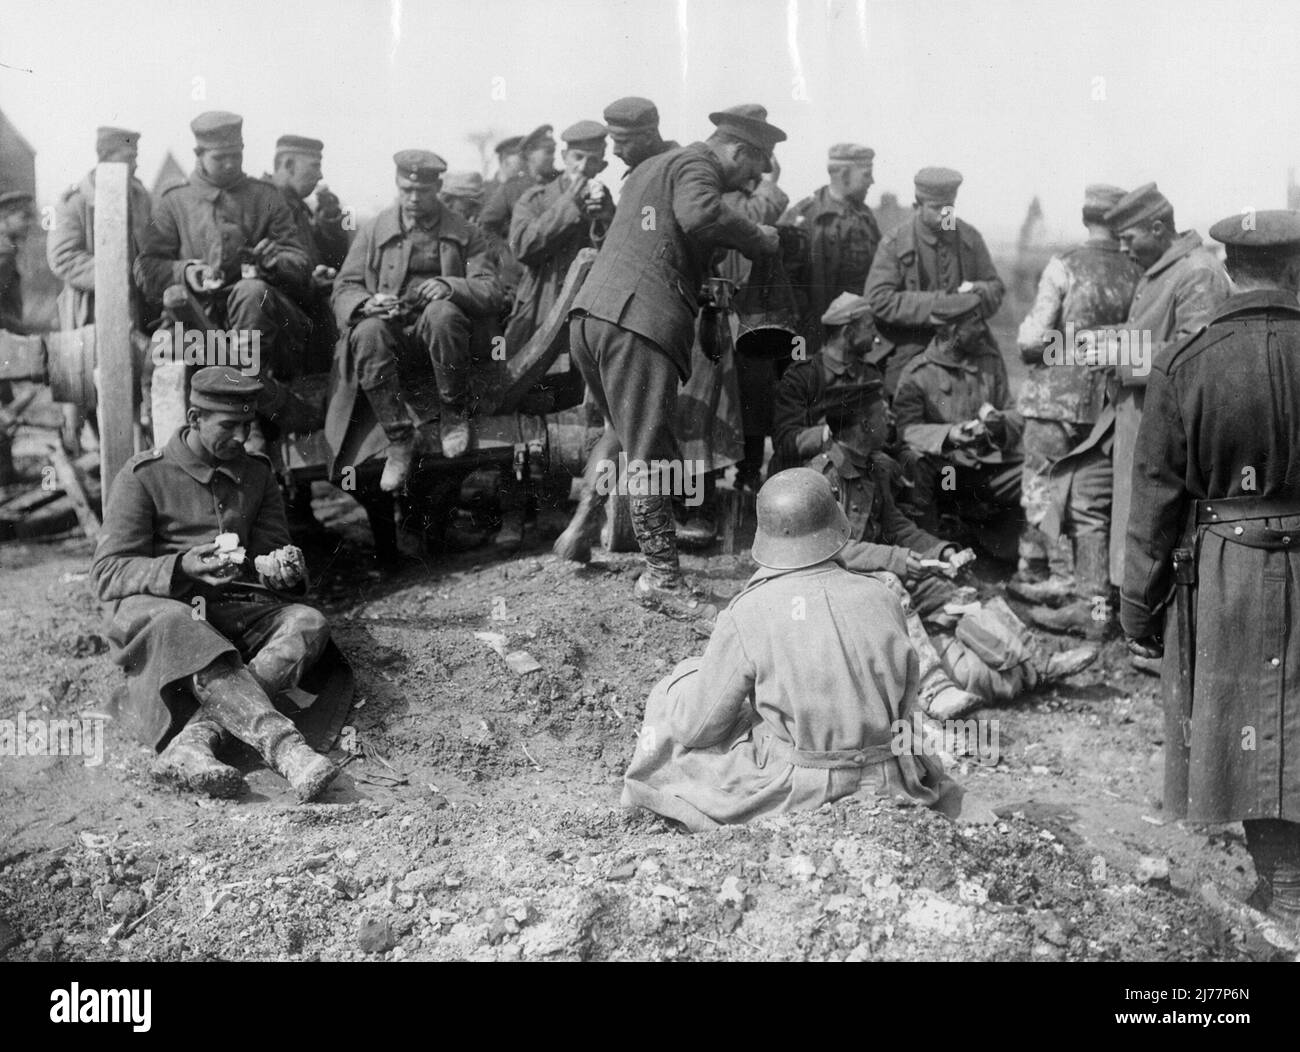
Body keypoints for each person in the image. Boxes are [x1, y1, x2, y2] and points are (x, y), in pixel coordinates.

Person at [1122, 210, 1300, 927]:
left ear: (1230, 268)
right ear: (1293, 270)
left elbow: (1155, 502)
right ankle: (1286, 879)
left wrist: (1139, 606)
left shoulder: (1185, 361)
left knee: (1246, 716)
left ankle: (1285, 882)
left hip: (1230, 570)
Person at [622, 467, 961, 831]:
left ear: (765, 537)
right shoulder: (884, 596)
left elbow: (696, 728)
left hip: (804, 789)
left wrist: (681, 683)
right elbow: (905, 704)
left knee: (672, 707)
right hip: (891, 777)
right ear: (837, 525)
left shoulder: (749, 610)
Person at [563, 105, 782, 614]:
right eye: (753, 169)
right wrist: (758, 238)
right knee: (653, 452)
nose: (749, 181)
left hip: (592, 318)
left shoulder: (649, 169)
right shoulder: (695, 164)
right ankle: (662, 578)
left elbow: (655, 236)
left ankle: (579, 530)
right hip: (637, 323)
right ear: (739, 150)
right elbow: (701, 213)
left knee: (622, 428)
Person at [91, 367, 339, 801]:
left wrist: (281, 568)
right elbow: (108, 572)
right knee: (186, 627)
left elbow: (269, 551)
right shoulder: (144, 476)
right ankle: (286, 748)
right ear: (193, 418)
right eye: (229, 426)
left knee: (308, 622)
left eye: (247, 426)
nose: (241, 438)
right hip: (161, 615)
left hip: (232, 605)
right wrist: (181, 566)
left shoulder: (256, 473)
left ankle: (196, 740)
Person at [811, 381, 1095, 718]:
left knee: (962, 587)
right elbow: (832, 550)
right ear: (863, 425)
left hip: (878, 575)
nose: (890, 419)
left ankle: (1036, 660)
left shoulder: (874, 467)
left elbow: (896, 525)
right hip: (837, 587)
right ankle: (933, 690)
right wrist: (898, 560)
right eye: (881, 414)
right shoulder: (821, 479)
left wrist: (942, 552)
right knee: (890, 586)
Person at [1096, 184, 1229, 670]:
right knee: (1142, 525)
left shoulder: (1197, 273)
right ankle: (1148, 633)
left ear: (1157, 227)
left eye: (1129, 236)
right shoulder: (1165, 269)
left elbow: (1198, 354)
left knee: (1164, 527)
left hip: (1169, 429)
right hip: (1141, 419)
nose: (1124, 247)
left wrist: (1121, 356)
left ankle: (1171, 643)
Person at [327, 150, 503, 489]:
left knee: (442, 313)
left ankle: (453, 415)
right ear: (396, 184)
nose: (412, 199)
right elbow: (344, 286)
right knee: (367, 332)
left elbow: (491, 290)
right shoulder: (374, 230)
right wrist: (368, 302)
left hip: (447, 342)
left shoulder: (466, 232)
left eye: (421, 192)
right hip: (393, 342)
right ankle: (399, 437)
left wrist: (450, 285)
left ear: (437, 188)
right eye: (405, 190)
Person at [1008, 184, 1139, 637]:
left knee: (1044, 488)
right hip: (1109, 403)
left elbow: (1031, 340)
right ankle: (1097, 592)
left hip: (1054, 398)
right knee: (1095, 500)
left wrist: (1057, 348)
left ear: (1085, 218)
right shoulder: (1137, 269)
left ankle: (1052, 577)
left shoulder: (1065, 265)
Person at [135, 112, 312, 381]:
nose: (230, 164)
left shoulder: (266, 196)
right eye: (220, 158)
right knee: (163, 360)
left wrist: (275, 263)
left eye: (236, 156)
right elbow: (146, 268)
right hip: (192, 321)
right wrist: (187, 272)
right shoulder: (174, 202)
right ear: (199, 155)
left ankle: (247, 395)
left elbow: (300, 261)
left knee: (251, 292)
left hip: (265, 322)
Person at [863, 167, 1004, 395]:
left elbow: (995, 288)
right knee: (901, 398)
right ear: (917, 207)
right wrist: (942, 305)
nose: (943, 215)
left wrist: (978, 292)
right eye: (936, 208)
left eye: (948, 208)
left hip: (965, 343)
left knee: (993, 387)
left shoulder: (969, 238)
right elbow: (878, 299)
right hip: (911, 343)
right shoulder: (896, 242)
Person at [892, 294, 1022, 538]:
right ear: (952, 330)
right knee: (911, 459)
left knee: (1039, 468)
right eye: (974, 323)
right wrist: (949, 434)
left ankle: (1021, 553)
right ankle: (931, 550)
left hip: (988, 467)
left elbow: (1012, 410)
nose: (983, 329)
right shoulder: (918, 373)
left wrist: (999, 422)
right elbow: (905, 429)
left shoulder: (989, 361)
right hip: (946, 472)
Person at [47, 127, 153, 333]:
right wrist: (116, 273)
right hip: (92, 309)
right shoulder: (75, 203)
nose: (135, 165)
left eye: (136, 158)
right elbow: (61, 258)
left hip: (141, 306)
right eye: (129, 158)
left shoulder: (140, 196)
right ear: (105, 158)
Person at [780, 143, 881, 351]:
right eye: (866, 175)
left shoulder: (866, 216)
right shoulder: (804, 216)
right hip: (815, 338)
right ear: (844, 175)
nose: (872, 181)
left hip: (857, 335)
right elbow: (786, 288)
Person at [770, 291, 881, 475]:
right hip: (808, 476)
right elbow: (784, 442)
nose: (875, 335)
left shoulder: (870, 375)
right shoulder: (801, 376)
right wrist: (832, 431)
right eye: (869, 327)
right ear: (848, 332)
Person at [0, 189, 35, 485]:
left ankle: (6, 471)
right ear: (4, 217)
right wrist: (18, 330)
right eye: (24, 216)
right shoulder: (3, 251)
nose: (29, 223)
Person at [602, 96, 678, 172]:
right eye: (615, 141)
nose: (616, 151)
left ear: (648, 137)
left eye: (623, 142)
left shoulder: (679, 166)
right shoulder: (643, 166)